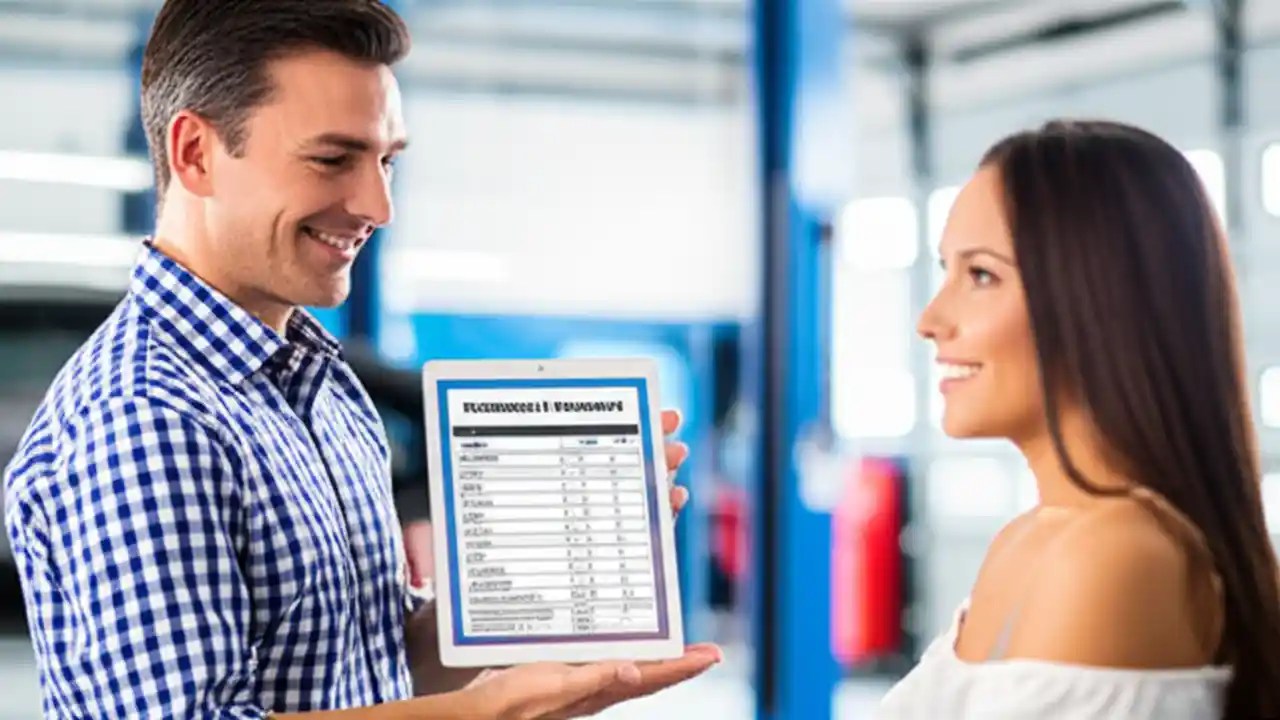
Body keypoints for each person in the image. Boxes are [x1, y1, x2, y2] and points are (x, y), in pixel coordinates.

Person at [0, 1, 720, 717]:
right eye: (332, 158)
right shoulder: (144, 415)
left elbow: (367, 657)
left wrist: (533, 594)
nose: (377, 204)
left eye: (386, 162)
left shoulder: (323, 386)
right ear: (195, 153)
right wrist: (491, 712)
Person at [876, 120, 1280, 719]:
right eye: (946, 271)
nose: (931, 319)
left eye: (981, 275)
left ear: (1096, 297)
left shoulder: (1116, 554)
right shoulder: (1036, 537)